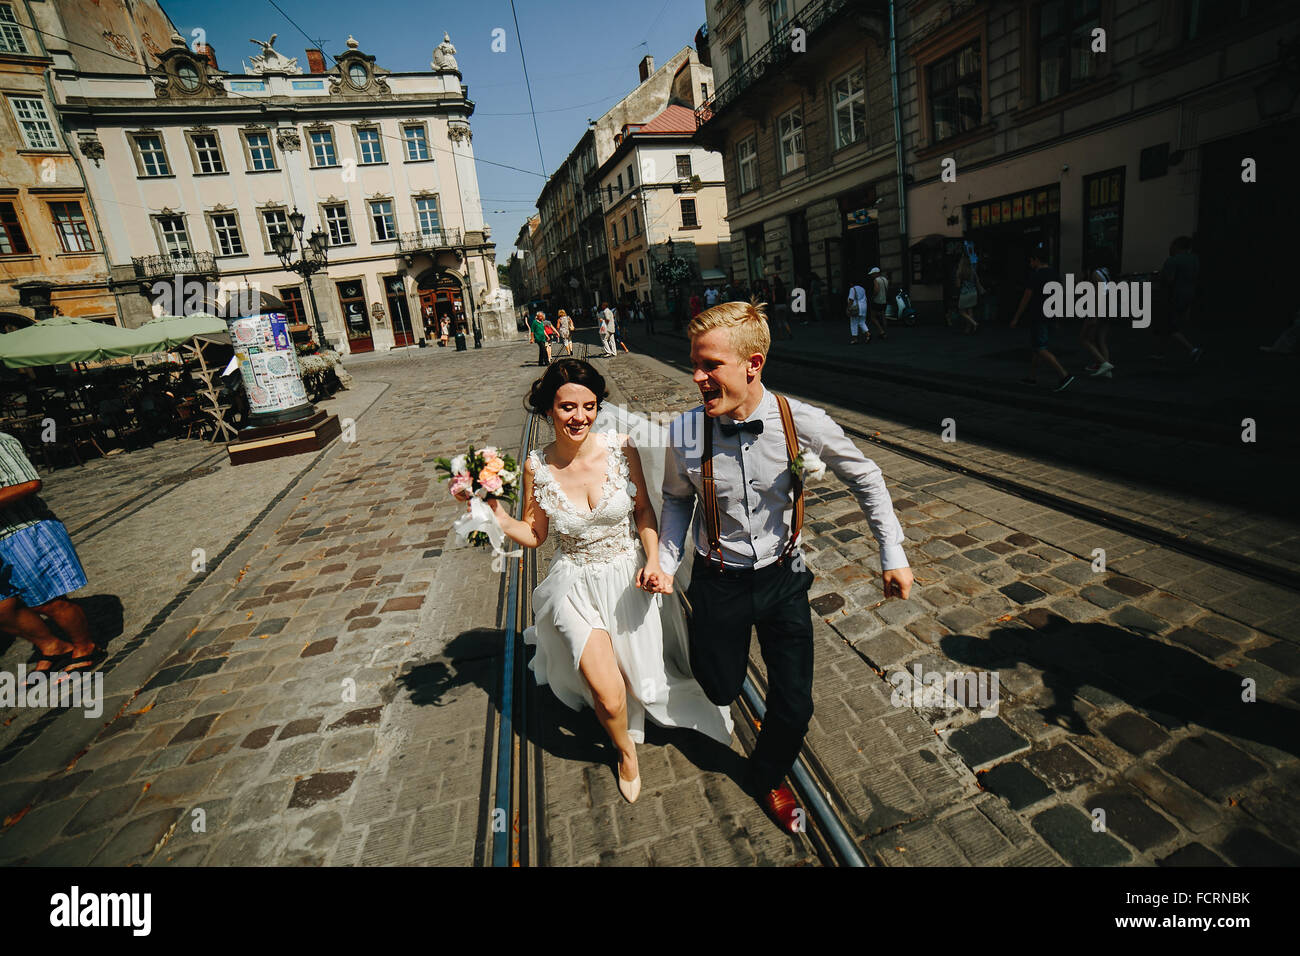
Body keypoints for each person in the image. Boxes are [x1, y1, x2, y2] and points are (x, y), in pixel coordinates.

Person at [653, 300, 913, 832]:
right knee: (721, 687)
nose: (697, 376)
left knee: (795, 704)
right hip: (717, 579)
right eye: (694, 363)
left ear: (753, 364)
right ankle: (710, 675)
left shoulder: (803, 421)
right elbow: (678, 501)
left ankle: (765, 774)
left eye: (709, 365)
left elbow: (866, 477)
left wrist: (892, 553)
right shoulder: (683, 432)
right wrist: (665, 559)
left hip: (784, 577)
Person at [465, 360, 733, 803]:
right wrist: (495, 512)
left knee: (643, 682)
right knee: (609, 697)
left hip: (627, 578)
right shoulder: (536, 465)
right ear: (549, 408)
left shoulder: (620, 448)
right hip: (574, 584)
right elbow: (535, 534)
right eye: (567, 406)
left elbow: (644, 512)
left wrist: (653, 560)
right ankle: (625, 752)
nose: (580, 417)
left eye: (589, 407)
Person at [0, 432, 101, 681]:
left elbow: (30, 483)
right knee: (2, 609)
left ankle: (85, 646)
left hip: (23, 531)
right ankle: (52, 646)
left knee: (47, 601)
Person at [1010, 244, 1075, 391]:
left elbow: (1026, 298)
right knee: (1037, 347)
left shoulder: (1036, 275)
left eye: (1031, 260)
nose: (1030, 263)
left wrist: (1016, 317)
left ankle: (1063, 374)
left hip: (1038, 315)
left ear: (1036, 260)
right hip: (1050, 314)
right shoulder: (1054, 274)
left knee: (1040, 348)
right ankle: (1032, 377)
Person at [1154, 236, 1203, 362]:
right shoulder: (1195, 259)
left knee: (1168, 325)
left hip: (1173, 296)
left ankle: (1192, 349)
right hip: (1189, 294)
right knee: (1168, 323)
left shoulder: (1173, 260)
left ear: (1176, 246)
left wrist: (1160, 277)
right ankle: (1160, 352)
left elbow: (1168, 280)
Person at [1081, 251, 1115, 377]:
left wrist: (1094, 315)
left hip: (1098, 310)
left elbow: (1099, 295)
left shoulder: (1095, 273)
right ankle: (1107, 371)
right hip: (1108, 309)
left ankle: (1104, 364)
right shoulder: (1105, 272)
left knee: (1085, 339)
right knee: (1101, 340)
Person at [954, 255, 983, 334]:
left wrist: (957, 279)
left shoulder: (960, 272)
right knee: (970, 310)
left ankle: (974, 323)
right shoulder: (972, 270)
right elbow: (977, 281)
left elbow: (958, 285)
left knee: (961, 311)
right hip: (973, 293)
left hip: (965, 293)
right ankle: (969, 329)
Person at [866, 266, 890, 341]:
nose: (872, 275)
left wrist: (872, 296)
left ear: (876, 273)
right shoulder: (885, 279)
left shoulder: (876, 280)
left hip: (877, 301)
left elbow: (876, 290)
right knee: (883, 316)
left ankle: (881, 331)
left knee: (873, 317)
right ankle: (885, 332)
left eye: (873, 274)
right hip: (884, 301)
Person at [846, 279, 869, 344]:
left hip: (856, 308)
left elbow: (851, 299)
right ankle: (868, 334)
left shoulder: (852, 289)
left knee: (853, 322)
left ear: (852, 283)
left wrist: (848, 308)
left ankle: (855, 339)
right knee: (862, 322)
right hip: (864, 307)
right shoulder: (862, 289)